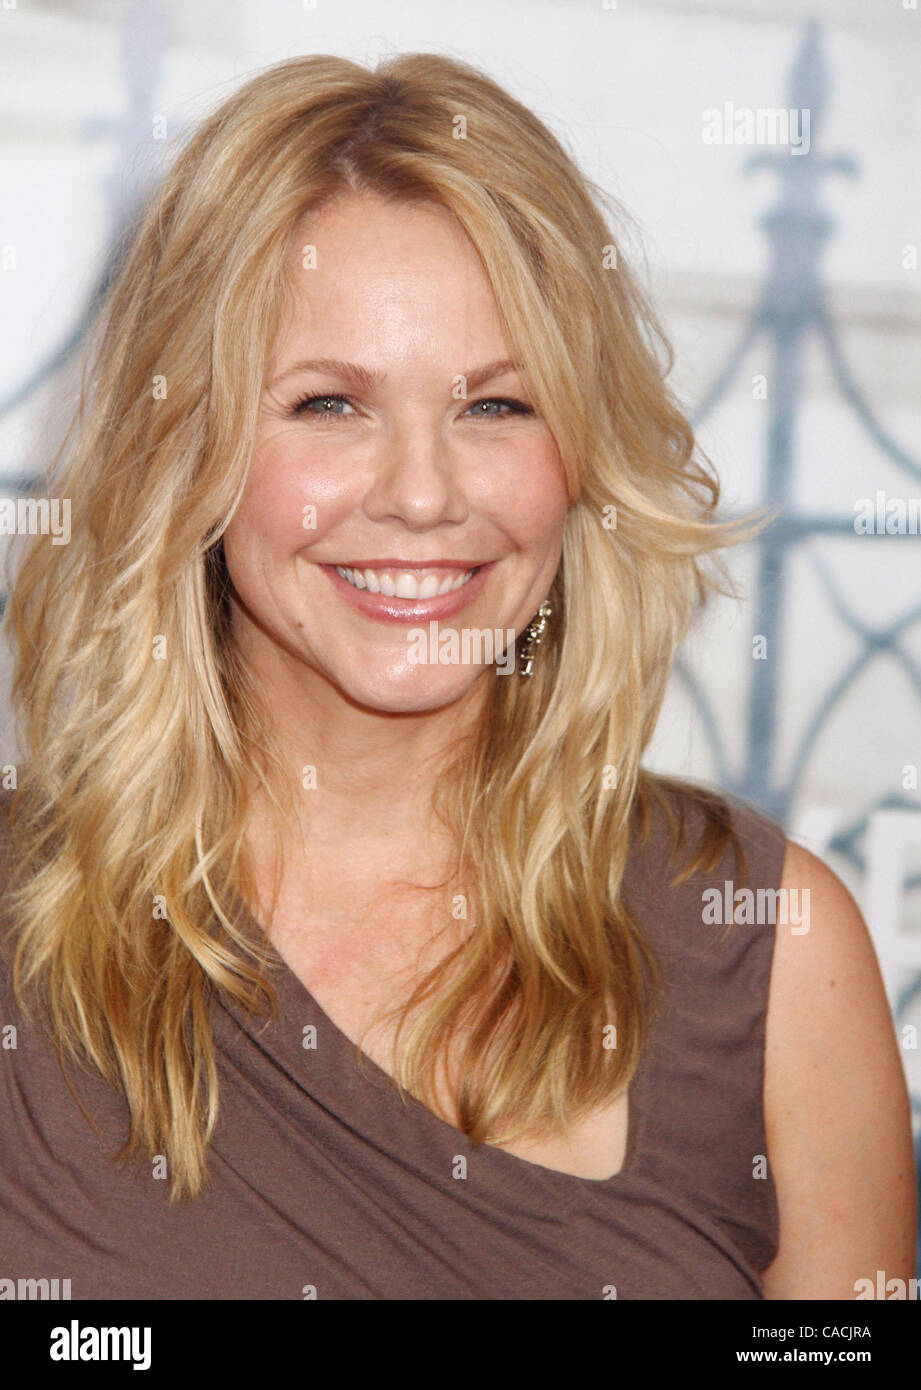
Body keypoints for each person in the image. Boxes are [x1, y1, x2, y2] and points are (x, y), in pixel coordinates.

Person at [0, 51, 913, 1301]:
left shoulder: (769, 952)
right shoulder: (20, 920)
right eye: (328, 405)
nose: (423, 493)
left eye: (496, 407)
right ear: (187, 444)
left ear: (583, 456)